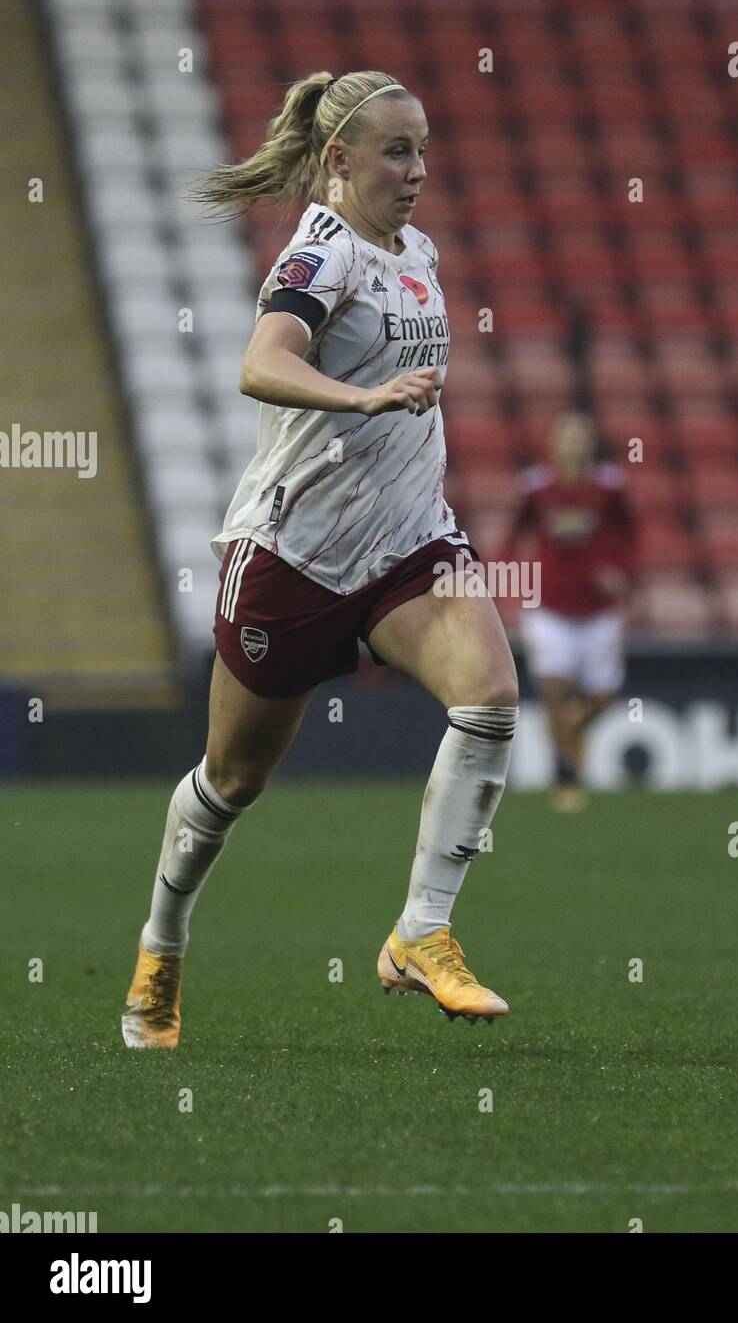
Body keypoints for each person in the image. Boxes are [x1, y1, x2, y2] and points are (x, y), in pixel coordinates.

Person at [121, 70, 519, 1048]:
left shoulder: (416, 249)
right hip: (293, 556)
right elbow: (261, 361)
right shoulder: (321, 249)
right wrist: (364, 398)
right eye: (396, 150)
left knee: (491, 695)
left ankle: (421, 931)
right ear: (338, 158)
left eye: (422, 149)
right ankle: (160, 948)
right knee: (232, 781)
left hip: (407, 542)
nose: (417, 169)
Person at [503, 412, 636, 811]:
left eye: (582, 437)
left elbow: (632, 536)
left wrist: (623, 573)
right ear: (554, 443)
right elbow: (513, 536)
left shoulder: (610, 488)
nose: (575, 445)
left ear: (592, 443)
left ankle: (574, 730)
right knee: (554, 691)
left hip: (599, 610)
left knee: (605, 696)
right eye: (568, 437)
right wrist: (502, 582)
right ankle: (566, 778)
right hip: (549, 608)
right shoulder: (536, 487)